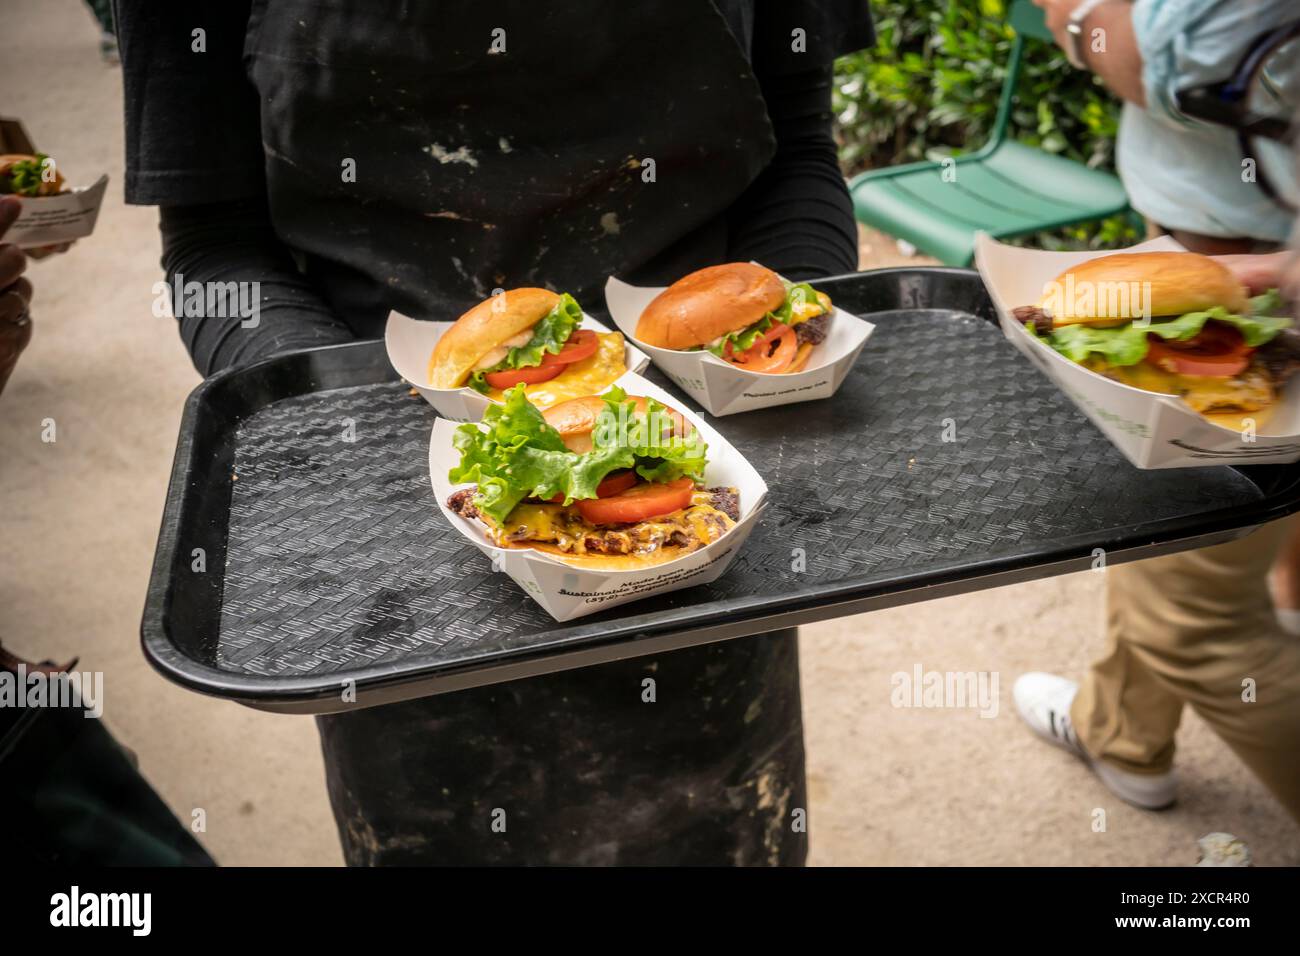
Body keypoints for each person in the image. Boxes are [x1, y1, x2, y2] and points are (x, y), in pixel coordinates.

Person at [114, 1, 874, 864]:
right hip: (389, 551)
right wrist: (363, 431)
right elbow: (216, 247)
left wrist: (774, 363)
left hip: (704, 498)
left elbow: (797, 151)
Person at [1016, 0, 1300, 823]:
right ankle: (1125, 734)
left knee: (1193, 622)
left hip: (1233, 247)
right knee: (1169, 545)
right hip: (1240, 264)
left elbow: (1178, 58)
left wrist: (1074, 16)